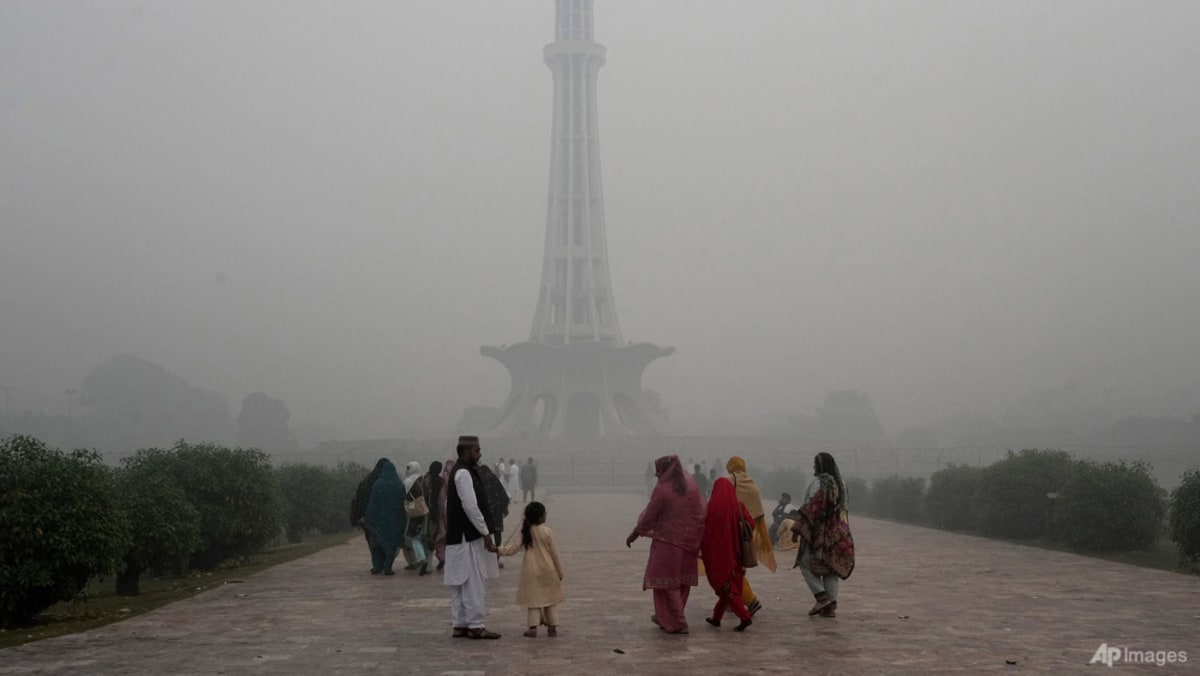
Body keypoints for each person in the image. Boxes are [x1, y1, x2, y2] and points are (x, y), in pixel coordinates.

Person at [626, 454, 705, 635]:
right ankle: (665, 617)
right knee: (681, 582)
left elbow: (650, 516)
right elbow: (700, 513)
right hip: (688, 544)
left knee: (666, 583)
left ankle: (678, 621)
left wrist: (635, 534)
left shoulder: (663, 490)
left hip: (667, 544)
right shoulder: (691, 487)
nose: (655, 474)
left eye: (658, 471)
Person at [444, 435, 501, 639]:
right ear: (467, 451)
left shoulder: (457, 473)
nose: (480, 453)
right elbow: (470, 506)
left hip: (457, 536)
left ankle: (460, 624)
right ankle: (476, 625)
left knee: (459, 582)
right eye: (477, 450)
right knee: (472, 582)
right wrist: (484, 531)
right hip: (467, 536)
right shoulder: (464, 474)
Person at [791, 452, 856, 618]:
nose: (813, 467)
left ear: (822, 466)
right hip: (839, 532)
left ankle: (822, 598)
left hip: (818, 531)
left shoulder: (819, 483)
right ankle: (831, 607)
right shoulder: (841, 483)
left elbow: (810, 507)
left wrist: (798, 528)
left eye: (815, 464)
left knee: (805, 562)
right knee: (831, 568)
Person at [498, 501, 564, 638]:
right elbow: (555, 554)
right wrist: (560, 571)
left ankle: (532, 628)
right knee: (549, 600)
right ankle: (552, 627)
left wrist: (498, 550)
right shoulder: (547, 531)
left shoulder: (526, 532)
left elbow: (513, 549)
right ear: (541, 517)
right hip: (548, 570)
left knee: (534, 601)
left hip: (531, 571)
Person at [700, 477, 754, 631]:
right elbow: (751, 523)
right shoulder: (738, 506)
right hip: (736, 555)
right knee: (728, 587)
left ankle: (744, 617)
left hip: (716, 556)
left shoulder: (710, 507)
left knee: (729, 589)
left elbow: (703, 531)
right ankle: (716, 617)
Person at [726, 456, 778, 616]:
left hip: (733, 532)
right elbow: (757, 512)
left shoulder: (730, 480)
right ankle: (731, 600)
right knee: (737, 567)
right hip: (749, 532)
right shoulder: (751, 482)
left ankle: (750, 600)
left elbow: (725, 505)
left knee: (729, 568)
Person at [362, 459, 407, 576]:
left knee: (377, 543)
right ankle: (387, 567)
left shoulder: (377, 485)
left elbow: (373, 503)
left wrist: (368, 517)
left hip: (379, 521)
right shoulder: (399, 485)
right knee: (392, 543)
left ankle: (377, 566)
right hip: (394, 521)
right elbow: (403, 504)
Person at [407, 460, 443, 576]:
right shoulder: (441, 482)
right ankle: (428, 567)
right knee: (429, 540)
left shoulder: (422, 481)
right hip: (433, 516)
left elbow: (410, 496)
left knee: (415, 538)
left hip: (419, 513)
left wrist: (410, 508)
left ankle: (421, 559)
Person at [477, 464, 511, 568]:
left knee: (484, 534)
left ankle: (485, 557)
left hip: (484, 512)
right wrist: (504, 508)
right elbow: (502, 493)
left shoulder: (478, 481)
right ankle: (496, 555)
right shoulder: (493, 479)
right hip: (496, 511)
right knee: (497, 533)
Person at [350, 458, 388, 549]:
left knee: (372, 540)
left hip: (367, 518)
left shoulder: (367, 481)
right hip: (379, 518)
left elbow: (360, 499)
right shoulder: (383, 482)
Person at [433, 458, 456, 571]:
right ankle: (452, 559)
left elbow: (440, 498)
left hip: (442, 512)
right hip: (454, 512)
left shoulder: (442, 479)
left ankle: (442, 556)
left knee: (442, 535)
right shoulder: (457, 478)